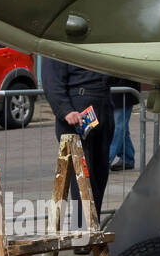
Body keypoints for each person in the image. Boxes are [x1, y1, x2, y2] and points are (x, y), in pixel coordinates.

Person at [40, 58, 113, 227]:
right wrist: (65, 110)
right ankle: (82, 231)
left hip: (102, 103)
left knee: (99, 172)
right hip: (77, 110)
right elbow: (51, 80)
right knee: (82, 176)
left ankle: (91, 227)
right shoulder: (57, 39)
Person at [107, 76, 140, 171]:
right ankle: (127, 158)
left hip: (122, 88)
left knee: (117, 127)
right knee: (120, 127)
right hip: (120, 88)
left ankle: (106, 160)